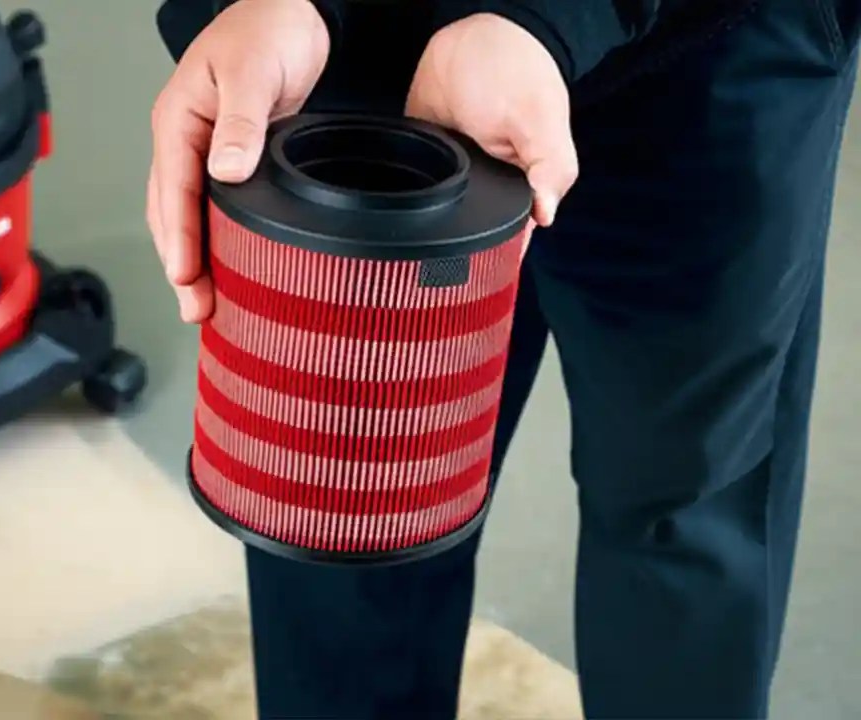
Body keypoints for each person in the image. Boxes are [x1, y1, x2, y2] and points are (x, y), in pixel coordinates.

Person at [147, 0, 859, 717]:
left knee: (682, 527)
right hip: (353, 64)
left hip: (702, 67)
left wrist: (549, 18)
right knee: (344, 507)